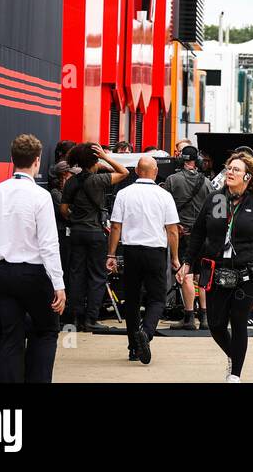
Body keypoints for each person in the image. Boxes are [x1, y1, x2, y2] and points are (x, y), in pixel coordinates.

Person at [178, 151, 253, 382]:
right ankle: (234, 355)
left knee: (238, 320)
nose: (230, 172)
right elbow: (198, 233)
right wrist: (187, 262)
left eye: (236, 169)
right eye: (229, 168)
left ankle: (235, 375)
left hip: (248, 273)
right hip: (217, 271)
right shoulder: (216, 199)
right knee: (216, 325)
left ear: (247, 176)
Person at [0, 133, 66, 382]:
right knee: (46, 331)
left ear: (12, 159)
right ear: (37, 161)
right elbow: (49, 244)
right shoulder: (41, 196)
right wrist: (58, 284)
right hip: (35, 274)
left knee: (11, 336)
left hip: (4, 273)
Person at [106, 154, 180, 364]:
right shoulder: (164, 195)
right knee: (157, 298)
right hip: (155, 251)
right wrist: (175, 257)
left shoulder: (124, 194)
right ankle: (146, 333)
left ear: (137, 171)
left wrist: (111, 254)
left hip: (131, 251)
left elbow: (116, 226)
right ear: (156, 172)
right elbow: (172, 230)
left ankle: (133, 347)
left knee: (132, 300)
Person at [61, 141, 130, 330]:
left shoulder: (71, 181)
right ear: (95, 160)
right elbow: (124, 172)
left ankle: (74, 318)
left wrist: (75, 218)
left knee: (76, 275)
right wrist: (106, 157)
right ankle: (91, 320)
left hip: (76, 232)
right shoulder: (99, 180)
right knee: (97, 276)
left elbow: (64, 209)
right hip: (95, 233)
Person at [162, 144, 212, 329]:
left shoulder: (172, 180)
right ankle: (205, 318)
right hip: (203, 237)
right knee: (202, 276)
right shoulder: (207, 182)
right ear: (196, 161)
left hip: (183, 235)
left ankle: (189, 317)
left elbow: (164, 208)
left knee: (187, 275)